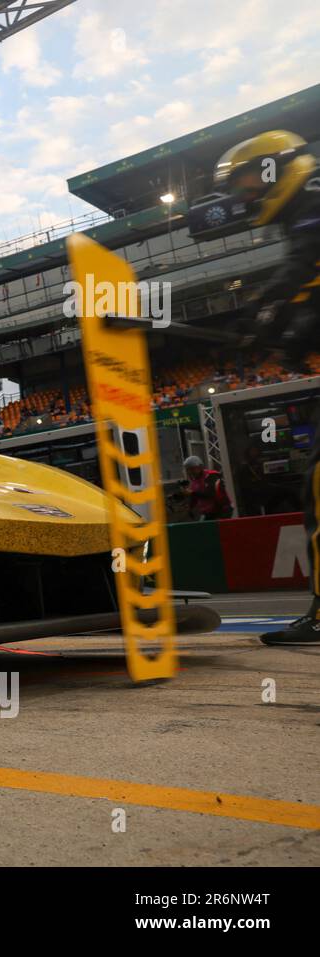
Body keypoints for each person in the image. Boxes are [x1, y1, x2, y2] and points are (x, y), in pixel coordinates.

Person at [215, 130, 320, 644]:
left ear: (277, 166)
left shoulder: (314, 197)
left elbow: (303, 270)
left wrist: (268, 314)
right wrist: (290, 332)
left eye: (248, 180)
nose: (244, 194)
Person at [181, 456, 234, 520]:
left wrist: (192, 492)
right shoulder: (194, 481)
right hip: (209, 512)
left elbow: (210, 493)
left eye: (192, 469)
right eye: (188, 469)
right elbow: (195, 497)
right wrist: (190, 507)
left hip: (222, 510)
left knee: (219, 528)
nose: (190, 472)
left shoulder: (211, 476)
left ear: (200, 467)